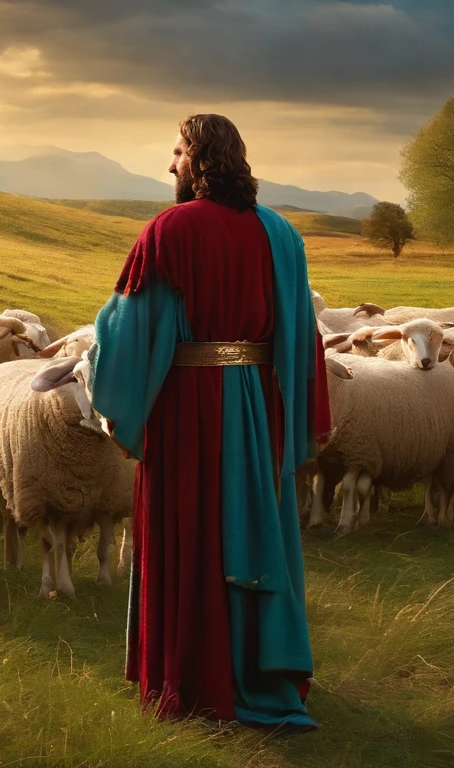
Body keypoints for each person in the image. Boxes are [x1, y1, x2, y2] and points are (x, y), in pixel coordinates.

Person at [87, 114, 331, 730]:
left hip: (188, 407)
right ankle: (259, 673)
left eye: (176, 152)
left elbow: (130, 332)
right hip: (257, 405)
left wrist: (102, 378)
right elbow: (304, 337)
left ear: (198, 158)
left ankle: (192, 680)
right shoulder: (280, 234)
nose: (170, 166)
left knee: (191, 528)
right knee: (254, 528)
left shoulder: (170, 230)